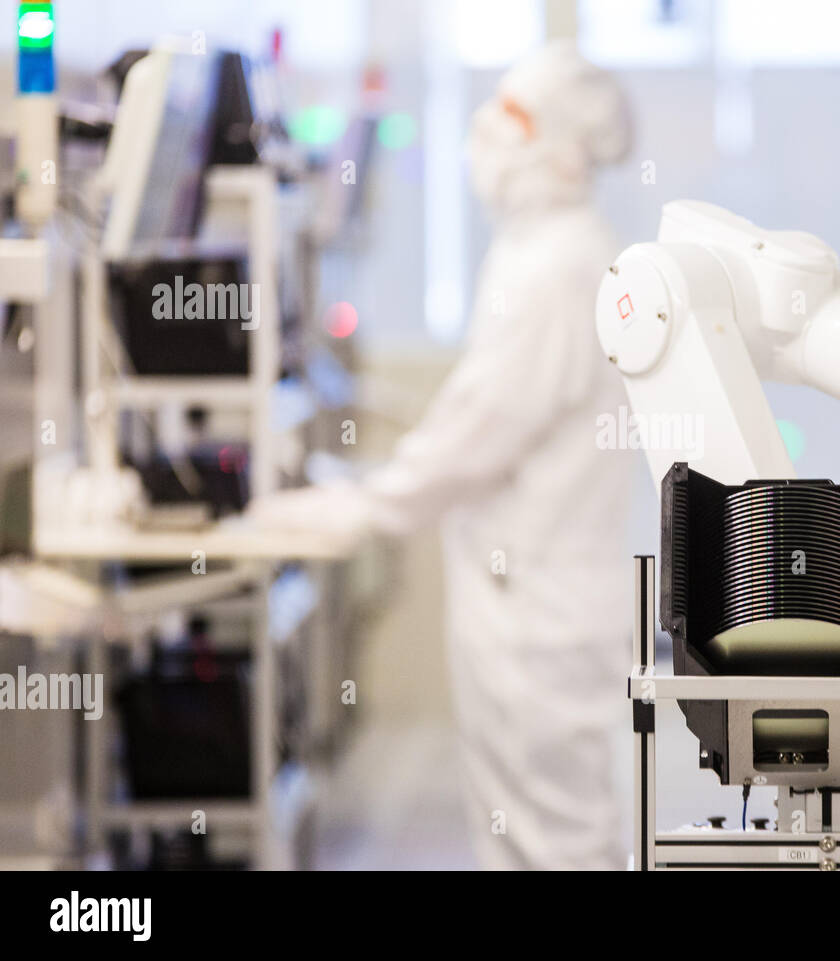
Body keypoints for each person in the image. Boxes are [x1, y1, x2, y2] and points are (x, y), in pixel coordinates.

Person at [255, 41, 634, 869]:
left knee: (556, 844)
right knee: (535, 835)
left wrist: (361, 504)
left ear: (565, 149)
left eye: (514, 118)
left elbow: (477, 435)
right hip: (532, 595)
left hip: (539, 610)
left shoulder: (559, 263)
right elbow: (479, 426)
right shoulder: (541, 253)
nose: (485, 134)